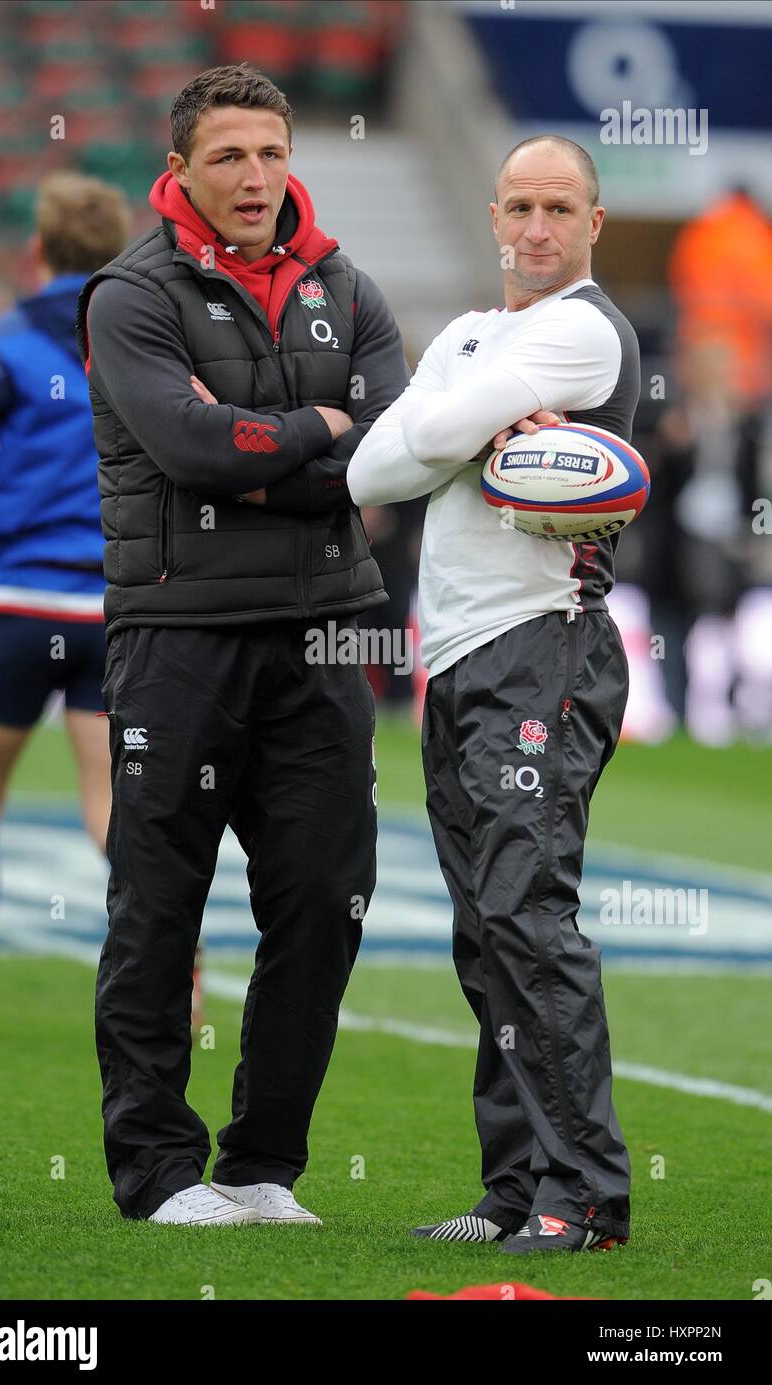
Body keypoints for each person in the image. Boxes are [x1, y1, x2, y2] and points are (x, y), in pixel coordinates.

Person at [76, 64, 409, 1228]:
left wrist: (279, 449)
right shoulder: (130, 294)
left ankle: (263, 1167)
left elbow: (386, 454)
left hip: (322, 637)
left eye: (271, 152)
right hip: (178, 637)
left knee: (326, 898)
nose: (256, 177)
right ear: (180, 169)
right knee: (157, 905)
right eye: (228, 156)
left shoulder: (347, 283)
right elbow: (189, 449)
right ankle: (159, 1172)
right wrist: (310, 442)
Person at [348, 135, 640, 1254]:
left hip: (543, 644)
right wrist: (470, 438)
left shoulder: (579, 326)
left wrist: (452, 434)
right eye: (518, 204)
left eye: (558, 207)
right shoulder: (475, 335)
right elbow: (372, 470)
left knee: (526, 909)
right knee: (483, 932)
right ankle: (515, 1184)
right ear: (491, 214)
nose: (535, 226)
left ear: (593, 224)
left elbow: (419, 438)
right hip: (457, 652)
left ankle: (588, 1195)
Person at [0, 173, 131, 1039]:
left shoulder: (0, 341)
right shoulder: (145, 344)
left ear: (37, 250)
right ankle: (180, 973)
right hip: (114, 610)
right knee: (115, 806)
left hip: (18, 602)